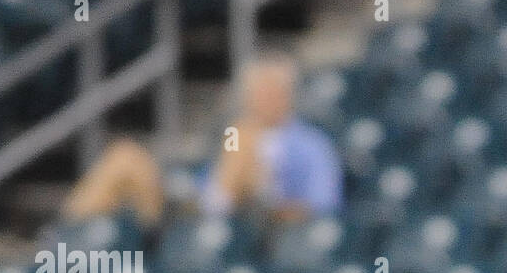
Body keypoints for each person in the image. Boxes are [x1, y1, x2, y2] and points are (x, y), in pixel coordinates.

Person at [63, 54, 342, 228]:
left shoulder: (312, 145)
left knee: (243, 137)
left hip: (254, 218)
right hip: (198, 204)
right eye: (255, 94)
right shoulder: (235, 132)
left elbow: (323, 206)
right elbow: (211, 175)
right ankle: (64, 241)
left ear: (286, 96)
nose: (259, 101)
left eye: (268, 92)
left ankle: (214, 210)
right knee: (124, 157)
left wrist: (270, 209)